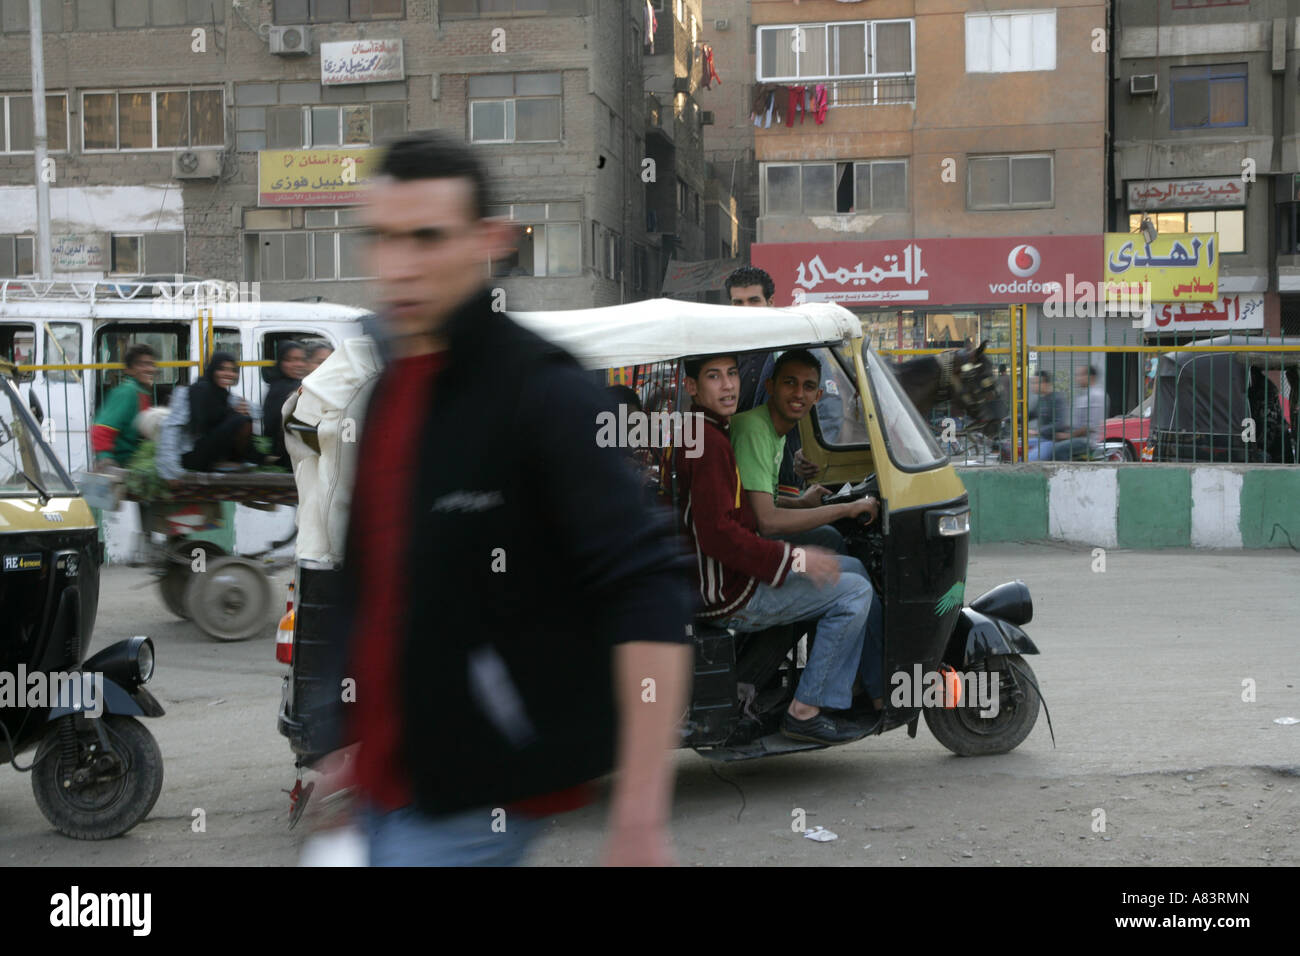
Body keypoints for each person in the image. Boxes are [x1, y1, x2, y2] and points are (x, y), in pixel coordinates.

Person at [307, 131, 693, 867]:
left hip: (477, 798)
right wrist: (346, 741)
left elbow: (647, 589)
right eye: (383, 238)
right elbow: (373, 587)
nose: (401, 264)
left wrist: (641, 818)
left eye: (427, 237)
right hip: (381, 791)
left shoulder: (543, 390)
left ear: (487, 241)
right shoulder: (389, 392)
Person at [676, 353, 883, 746]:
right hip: (727, 593)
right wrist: (795, 559)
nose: (728, 385)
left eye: (733, 374)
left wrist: (802, 520)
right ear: (692, 387)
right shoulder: (708, 444)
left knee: (850, 570)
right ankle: (806, 710)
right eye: (714, 377)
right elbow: (722, 533)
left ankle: (860, 689)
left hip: (723, 580)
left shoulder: (708, 432)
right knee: (855, 590)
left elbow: (744, 515)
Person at [160, 352, 259, 474]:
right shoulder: (191, 393)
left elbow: (257, 411)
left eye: (232, 370)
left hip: (209, 452)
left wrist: (247, 408)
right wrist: (170, 469)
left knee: (242, 418)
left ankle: (235, 460)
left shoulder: (224, 395)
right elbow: (171, 428)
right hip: (191, 455)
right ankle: (221, 462)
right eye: (222, 369)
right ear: (213, 369)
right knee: (239, 420)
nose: (228, 374)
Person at [91, 343, 156, 469]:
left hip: (136, 465)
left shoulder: (143, 392)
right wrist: (106, 459)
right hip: (122, 466)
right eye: (142, 364)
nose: (149, 369)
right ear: (129, 370)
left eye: (151, 364)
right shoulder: (126, 392)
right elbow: (101, 430)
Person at [263, 341, 308, 465]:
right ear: (281, 363)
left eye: (301, 360)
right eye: (291, 360)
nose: (298, 364)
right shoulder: (279, 388)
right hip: (287, 454)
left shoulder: (301, 384)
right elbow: (272, 425)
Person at [1051, 365, 1108, 460]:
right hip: (1078, 437)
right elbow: (1078, 423)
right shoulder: (1084, 395)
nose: (1077, 378)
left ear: (1091, 377)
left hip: (1087, 441)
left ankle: (1064, 473)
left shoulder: (1096, 395)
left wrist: (1067, 436)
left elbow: (1090, 427)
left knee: (1057, 450)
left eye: (1080, 375)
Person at [1023, 371, 1069, 462]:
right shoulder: (1041, 400)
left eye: (1036, 383)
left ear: (1046, 384)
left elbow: (1060, 423)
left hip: (1052, 441)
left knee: (1029, 460)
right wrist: (1011, 419)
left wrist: (1037, 431)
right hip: (1041, 439)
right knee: (1014, 448)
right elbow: (1029, 415)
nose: (1033, 385)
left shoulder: (1057, 399)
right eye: (1033, 383)